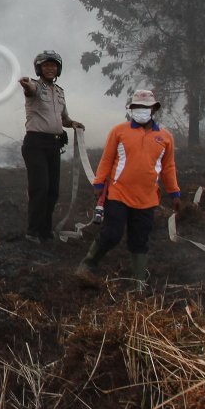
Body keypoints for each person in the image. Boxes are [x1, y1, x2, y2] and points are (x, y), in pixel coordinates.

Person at [75, 89, 182, 289]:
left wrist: (174, 193)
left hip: (147, 198)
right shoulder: (119, 131)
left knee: (139, 241)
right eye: (137, 107)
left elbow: (168, 167)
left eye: (146, 107)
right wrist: (99, 183)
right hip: (118, 194)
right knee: (111, 234)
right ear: (131, 109)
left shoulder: (165, 137)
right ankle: (87, 266)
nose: (141, 110)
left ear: (154, 109)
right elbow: (107, 159)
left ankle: (138, 283)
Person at [19, 50, 83, 243]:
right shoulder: (35, 87)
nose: (50, 68)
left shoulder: (60, 92)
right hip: (35, 144)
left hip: (53, 144)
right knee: (40, 188)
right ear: (39, 68)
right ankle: (32, 231)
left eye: (53, 65)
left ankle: (45, 230)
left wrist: (73, 124)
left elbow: (64, 119)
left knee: (53, 190)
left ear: (58, 69)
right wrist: (26, 84)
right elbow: (30, 90)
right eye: (46, 65)